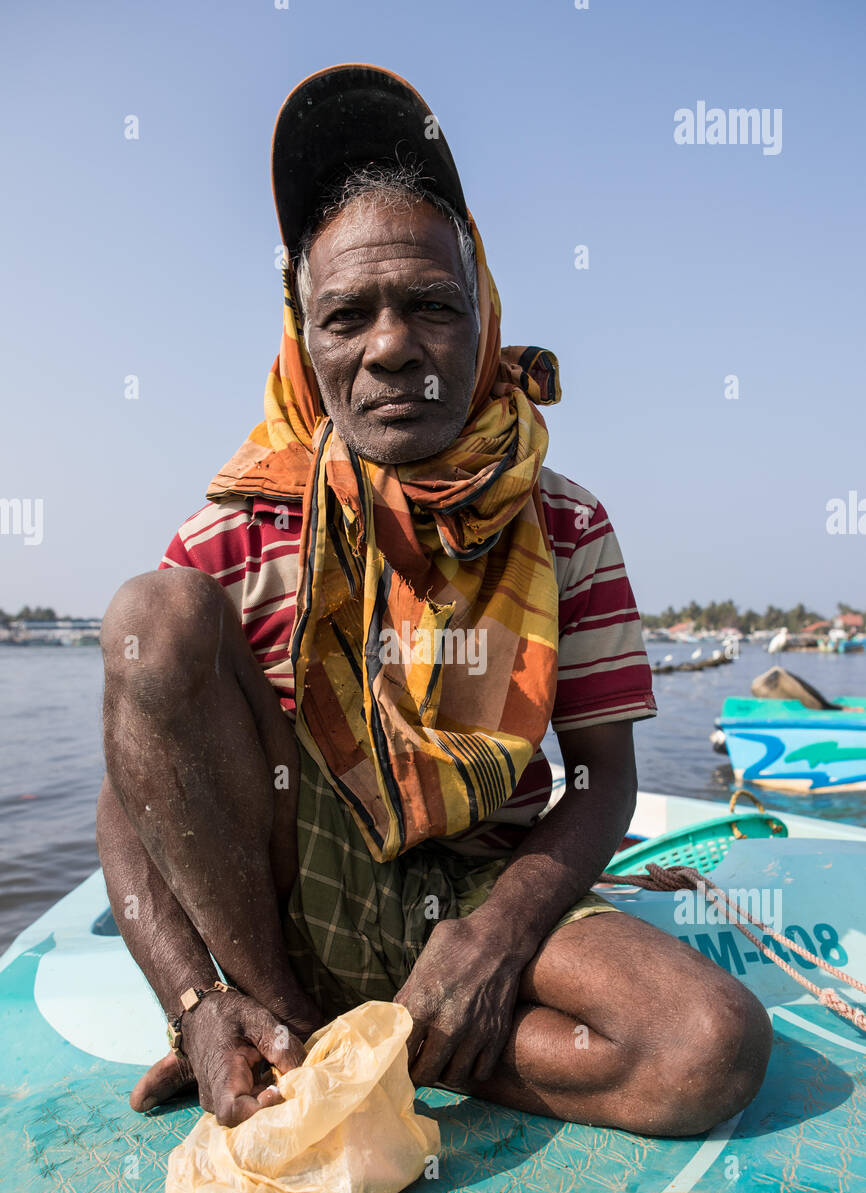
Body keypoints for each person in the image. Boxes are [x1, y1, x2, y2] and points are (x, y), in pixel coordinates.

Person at [97, 64, 772, 1134]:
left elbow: (601, 778)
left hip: (478, 888)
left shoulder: (564, 525)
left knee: (706, 1050)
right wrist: (195, 1000)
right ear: (301, 337)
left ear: (484, 317)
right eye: (345, 315)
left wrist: (497, 938)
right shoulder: (232, 533)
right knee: (150, 620)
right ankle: (282, 1021)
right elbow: (130, 798)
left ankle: (350, 1049)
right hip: (285, 903)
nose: (389, 346)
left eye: (430, 306)